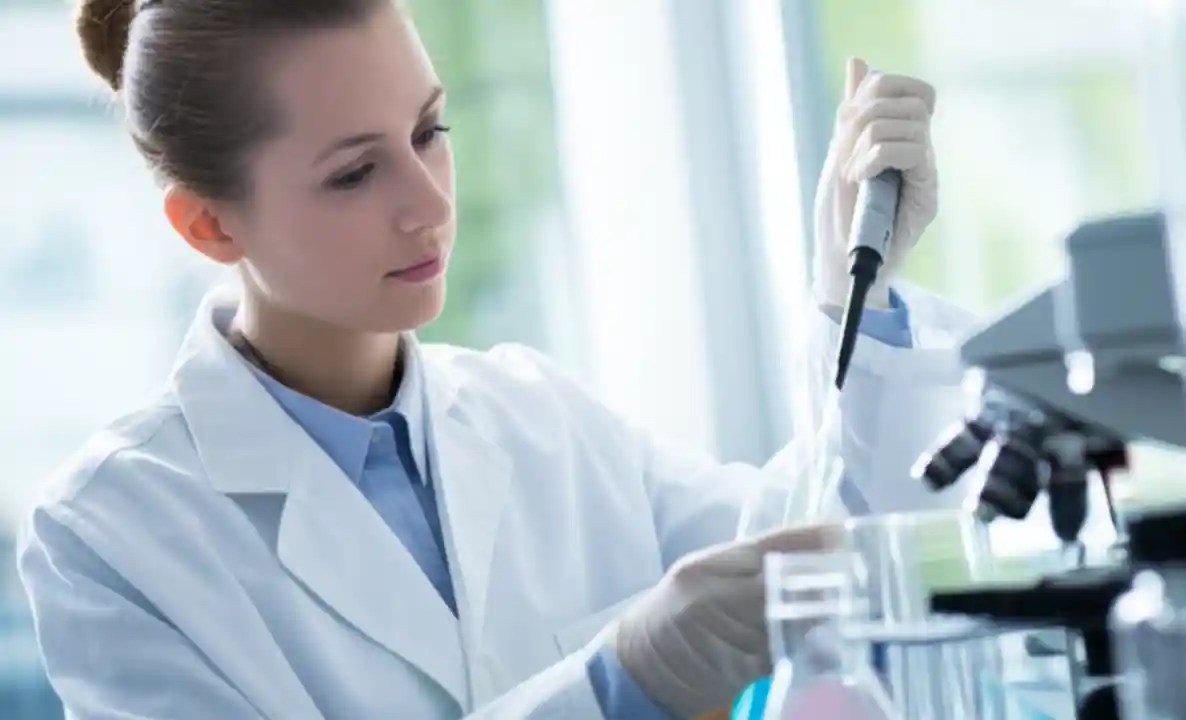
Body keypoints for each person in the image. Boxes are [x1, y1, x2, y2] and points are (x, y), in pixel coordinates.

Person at [17, 0, 974, 718]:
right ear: (207, 222)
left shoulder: (537, 416)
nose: (427, 204)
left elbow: (829, 562)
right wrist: (607, 687)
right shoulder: (111, 531)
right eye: (354, 172)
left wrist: (860, 296)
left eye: (430, 132)